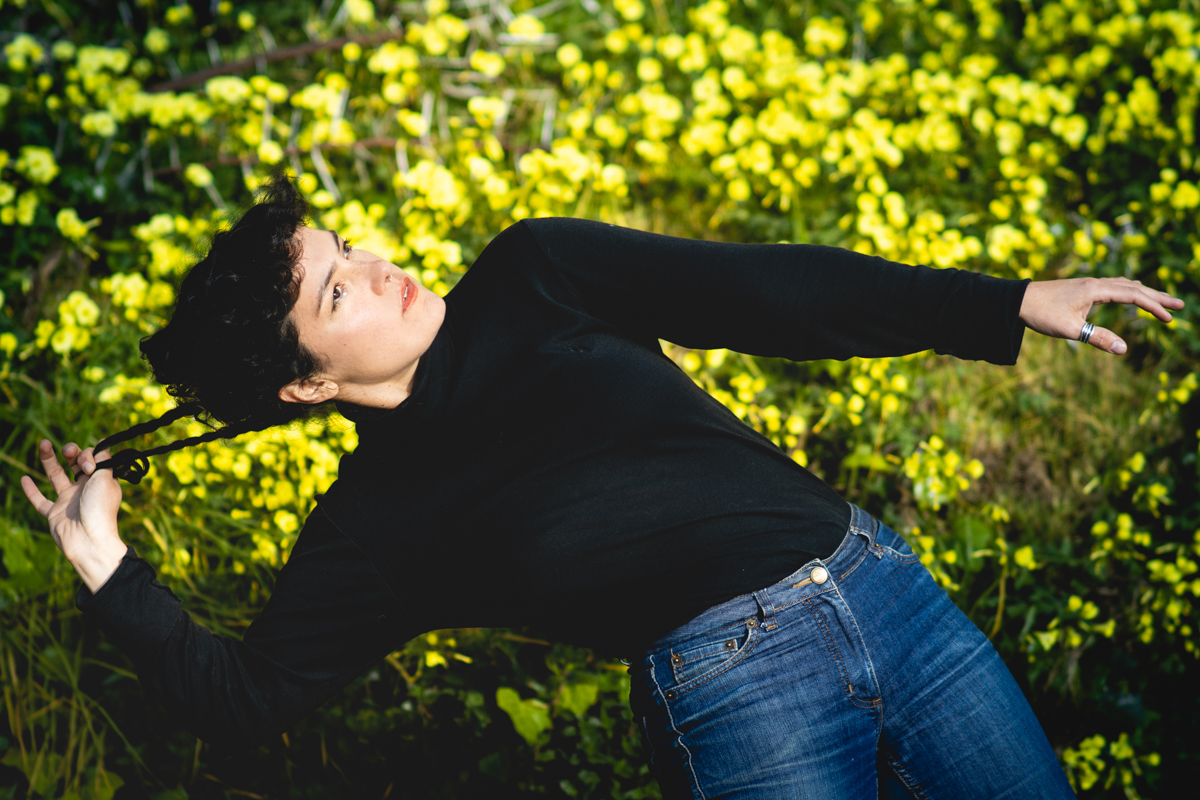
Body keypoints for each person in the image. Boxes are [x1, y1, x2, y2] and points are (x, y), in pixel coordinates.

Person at [21, 173, 1183, 798]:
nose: (377, 268)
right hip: (740, 697)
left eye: (348, 250)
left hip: (886, 590)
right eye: (338, 295)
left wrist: (1001, 301)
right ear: (307, 390)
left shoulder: (535, 271)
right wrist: (102, 563)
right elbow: (249, 696)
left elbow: (767, 294)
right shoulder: (372, 529)